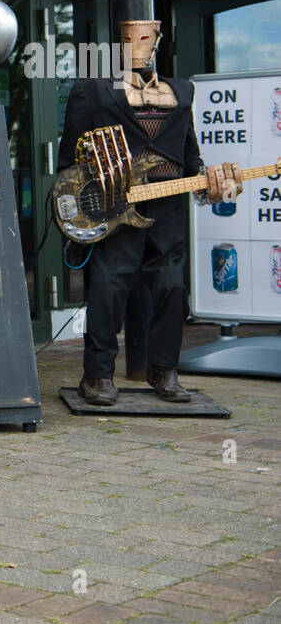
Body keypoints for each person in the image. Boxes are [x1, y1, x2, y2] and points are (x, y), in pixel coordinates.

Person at [58, 20, 240, 405]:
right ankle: (97, 375)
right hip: (115, 205)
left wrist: (208, 181)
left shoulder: (182, 92)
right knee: (109, 287)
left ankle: (165, 370)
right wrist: (85, 202)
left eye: (145, 36)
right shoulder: (92, 91)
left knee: (171, 287)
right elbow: (68, 162)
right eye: (129, 37)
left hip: (168, 207)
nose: (137, 44)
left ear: (158, 41)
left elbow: (190, 156)